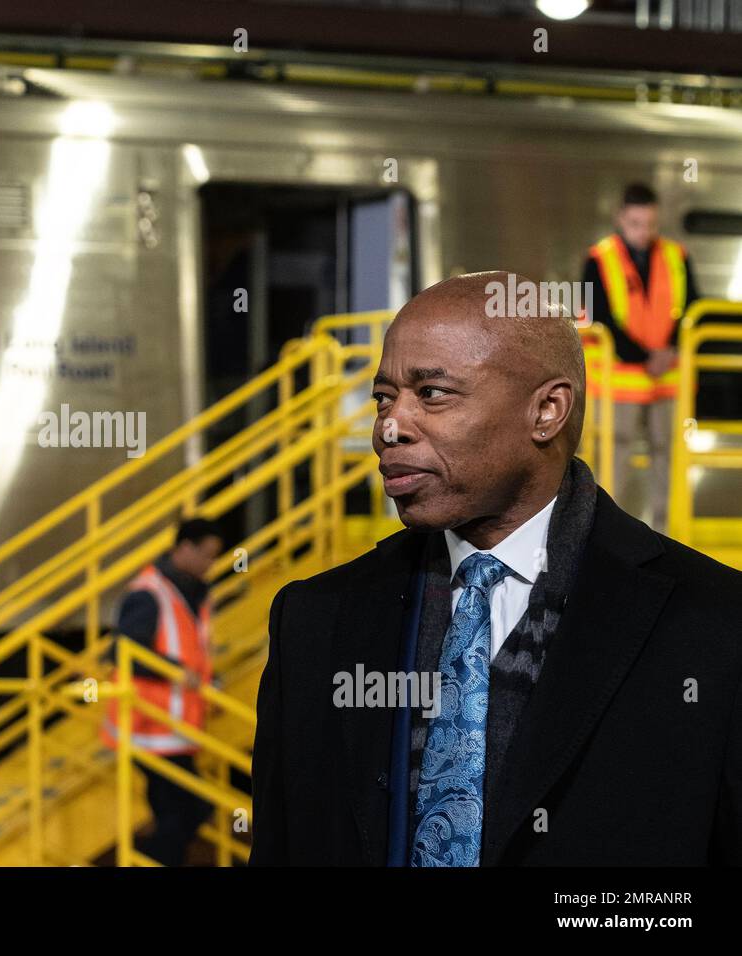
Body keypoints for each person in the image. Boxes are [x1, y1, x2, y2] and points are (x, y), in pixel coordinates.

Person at [250, 272, 742, 866]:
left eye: (431, 393)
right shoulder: (311, 620)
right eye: (384, 397)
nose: (388, 426)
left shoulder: (716, 626)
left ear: (547, 411)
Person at [100, 518, 224, 866]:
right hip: (148, 726)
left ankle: (152, 857)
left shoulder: (192, 592)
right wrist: (173, 669)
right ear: (184, 549)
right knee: (188, 810)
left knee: (181, 813)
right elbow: (122, 652)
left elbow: (194, 650)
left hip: (173, 728)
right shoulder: (149, 593)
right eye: (207, 555)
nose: (210, 563)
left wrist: (208, 682)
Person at [582, 182, 699, 531]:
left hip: (667, 378)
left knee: (668, 458)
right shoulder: (599, 259)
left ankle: (665, 537)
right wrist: (647, 355)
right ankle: (607, 537)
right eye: (636, 224)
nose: (643, 232)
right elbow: (599, 316)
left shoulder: (676, 256)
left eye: (650, 224)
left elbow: (692, 307)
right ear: (621, 218)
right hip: (621, 380)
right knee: (614, 461)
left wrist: (669, 350)